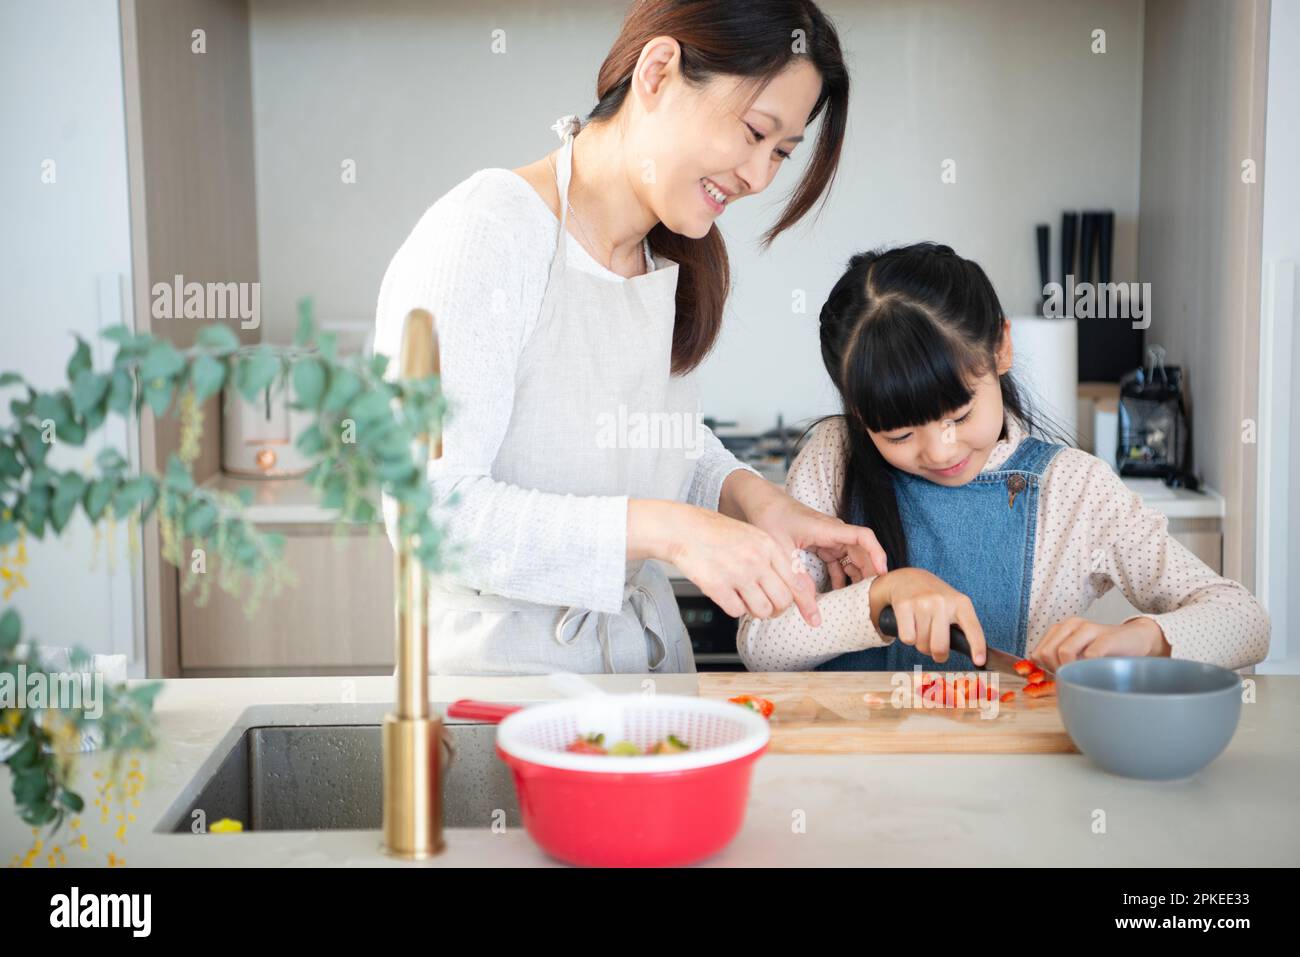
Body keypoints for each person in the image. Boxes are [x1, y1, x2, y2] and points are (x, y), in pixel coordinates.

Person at [374, 0, 884, 674]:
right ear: (659, 70)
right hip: (502, 703)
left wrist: (752, 500)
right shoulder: (484, 233)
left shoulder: (663, 256)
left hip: (647, 679)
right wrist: (668, 530)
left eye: (781, 153)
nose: (760, 177)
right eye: (755, 132)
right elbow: (430, 515)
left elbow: (651, 438)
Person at [737, 242, 1270, 674]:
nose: (940, 450)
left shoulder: (1074, 491)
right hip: (856, 772)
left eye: (960, 416)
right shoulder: (832, 460)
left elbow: (1245, 621)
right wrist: (879, 598)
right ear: (856, 410)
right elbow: (760, 645)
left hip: (1009, 774)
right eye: (899, 434)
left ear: (1001, 350)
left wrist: (1142, 639)